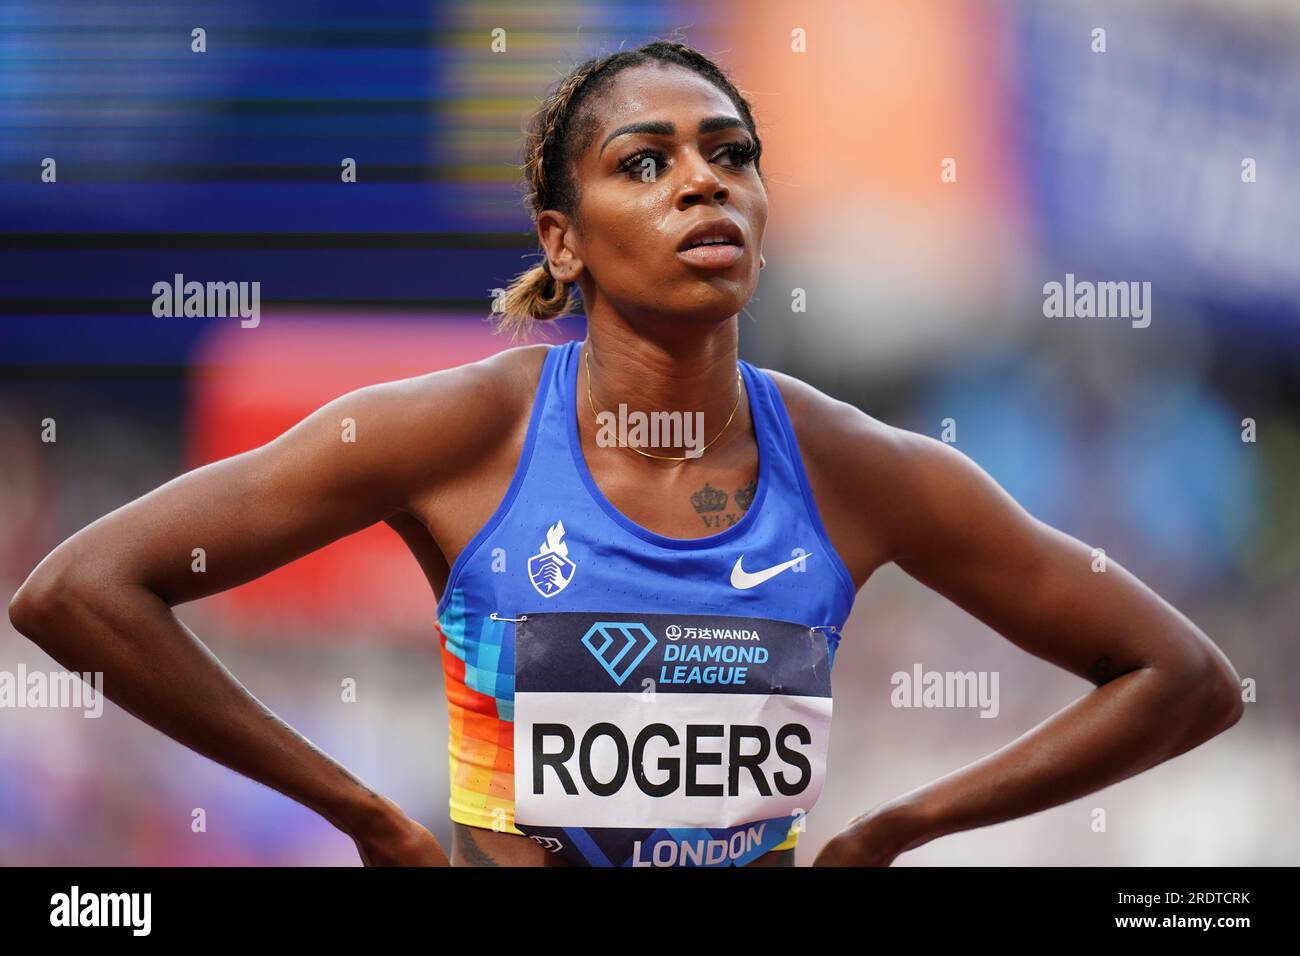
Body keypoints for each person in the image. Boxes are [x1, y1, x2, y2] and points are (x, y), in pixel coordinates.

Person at [8, 41, 1243, 868]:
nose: (701, 184)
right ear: (565, 238)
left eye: (731, 154)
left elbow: (1182, 677)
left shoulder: (862, 468)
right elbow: (78, 591)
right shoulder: (457, 432)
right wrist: (365, 814)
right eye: (645, 165)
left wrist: (896, 829)